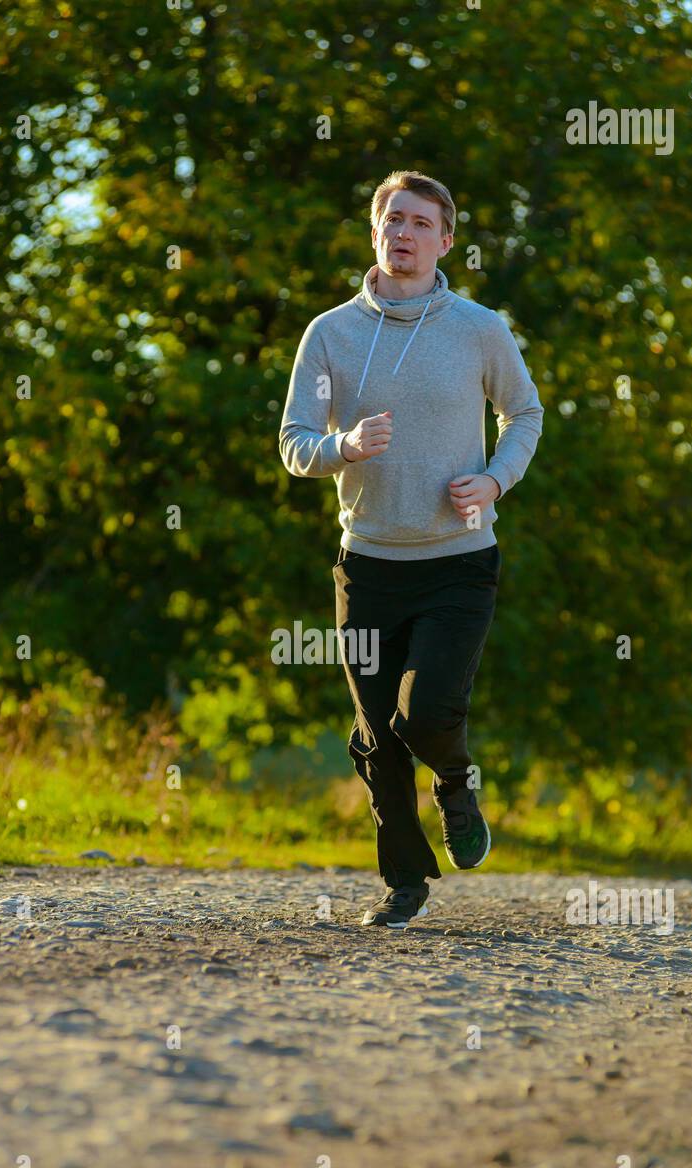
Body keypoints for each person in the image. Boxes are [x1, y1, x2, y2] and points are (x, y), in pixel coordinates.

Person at [279, 170, 543, 927]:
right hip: (366, 566)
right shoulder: (329, 333)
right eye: (393, 219)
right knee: (373, 737)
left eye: (421, 223)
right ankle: (403, 884)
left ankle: (456, 782)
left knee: (424, 715)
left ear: (446, 240)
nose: (405, 233)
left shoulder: (478, 328)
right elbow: (294, 443)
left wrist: (494, 480)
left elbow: (523, 411)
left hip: (458, 560)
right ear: (373, 231)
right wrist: (342, 446)